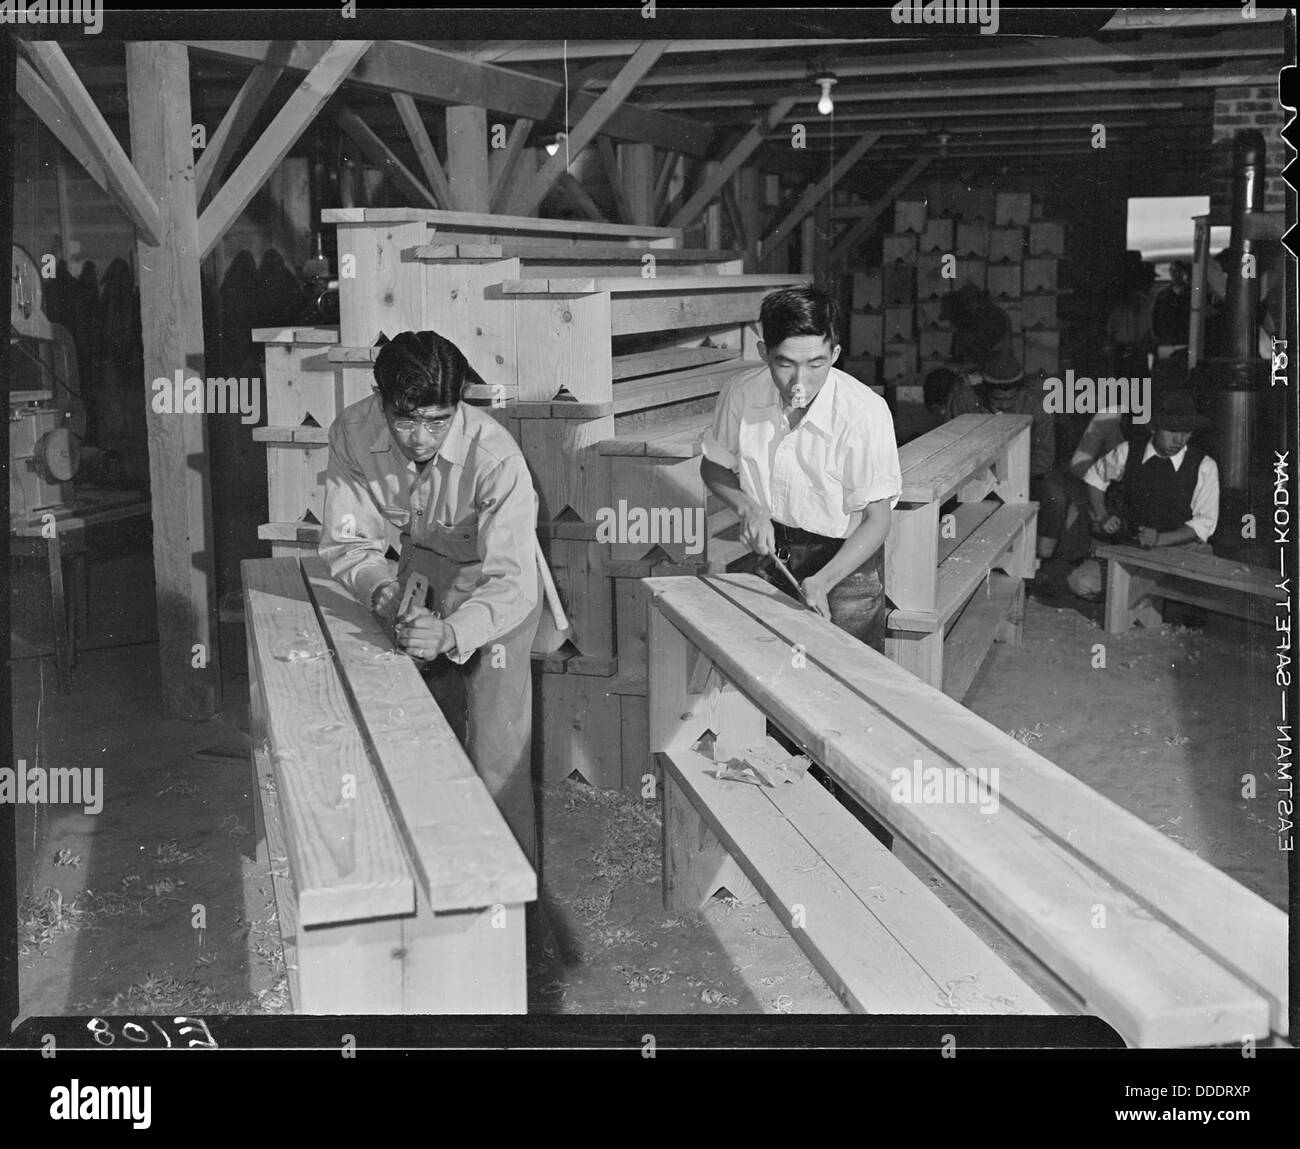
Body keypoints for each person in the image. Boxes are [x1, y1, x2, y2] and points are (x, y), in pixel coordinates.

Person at [319, 330, 545, 866]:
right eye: (405, 419)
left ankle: (516, 918)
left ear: (459, 404)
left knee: (497, 755)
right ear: (380, 398)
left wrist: (451, 632)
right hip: (418, 567)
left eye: (438, 420)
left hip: (497, 588)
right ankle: (435, 879)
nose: (421, 438)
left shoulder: (496, 457)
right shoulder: (352, 432)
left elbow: (512, 580)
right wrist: (384, 591)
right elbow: (350, 540)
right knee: (417, 729)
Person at [701, 285, 902, 652]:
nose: (800, 383)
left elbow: (878, 520)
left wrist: (824, 581)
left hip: (847, 565)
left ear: (835, 354)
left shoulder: (864, 413)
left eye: (816, 364)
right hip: (773, 553)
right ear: (764, 353)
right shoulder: (741, 394)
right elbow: (713, 467)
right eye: (785, 364)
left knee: (849, 683)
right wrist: (750, 508)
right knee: (771, 678)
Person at [1066, 391, 1219, 619]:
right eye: (1172, 431)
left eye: (1186, 432)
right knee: (1079, 582)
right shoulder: (1128, 451)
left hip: (1181, 548)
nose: (1179, 440)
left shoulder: (1204, 466)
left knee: (1193, 585)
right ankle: (1140, 598)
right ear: (1154, 427)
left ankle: (1128, 602)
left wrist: (1160, 539)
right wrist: (1103, 515)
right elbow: (1094, 478)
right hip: (1132, 548)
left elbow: (1203, 524)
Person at [941, 348, 1068, 565]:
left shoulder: (1036, 406)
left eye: (1010, 401)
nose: (1004, 406)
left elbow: (1043, 458)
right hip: (974, 476)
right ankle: (946, 554)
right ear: (986, 389)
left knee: (1056, 497)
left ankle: (1040, 559)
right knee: (944, 507)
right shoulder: (963, 401)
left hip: (1025, 474)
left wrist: (1005, 475)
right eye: (998, 401)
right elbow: (950, 449)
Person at [1150, 261, 1191, 349]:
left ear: (1184, 272)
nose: (1175, 274)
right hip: (1167, 338)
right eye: (1172, 270)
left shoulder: (1192, 292)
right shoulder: (1161, 294)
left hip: (1187, 337)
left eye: (1178, 270)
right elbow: (1155, 317)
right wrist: (1158, 337)